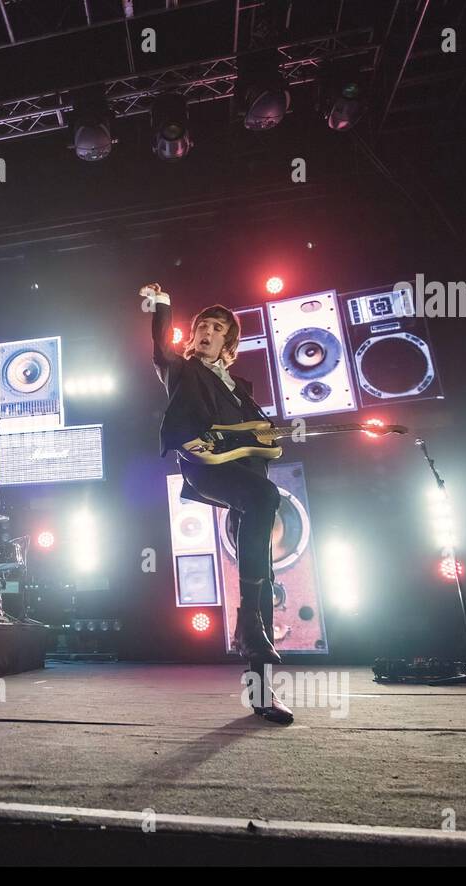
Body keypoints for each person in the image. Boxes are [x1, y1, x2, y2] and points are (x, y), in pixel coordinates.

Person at [142, 282, 293, 724]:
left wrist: (266, 434)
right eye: (202, 326)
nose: (207, 331)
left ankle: (262, 693)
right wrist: (162, 305)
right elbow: (158, 346)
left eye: (217, 327)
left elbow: (256, 436)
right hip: (207, 468)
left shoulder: (242, 389)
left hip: (247, 482)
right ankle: (248, 624)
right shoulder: (180, 370)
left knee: (260, 580)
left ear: (230, 341)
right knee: (266, 498)